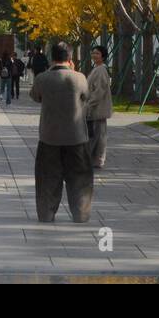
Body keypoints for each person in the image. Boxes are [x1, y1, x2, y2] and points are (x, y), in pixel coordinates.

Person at [31, 41, 93, 223]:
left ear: (52, 58)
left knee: (47, 178)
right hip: (76, 136)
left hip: (49, 136)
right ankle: (81, 214)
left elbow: (36, 96)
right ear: (70, 58)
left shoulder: (42, 78)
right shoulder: (79, 78)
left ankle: (46, 214)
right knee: (80, 178)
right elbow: (86, 96)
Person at [85, 44, 113, 169]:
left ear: (103, 56)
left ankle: (97, 159)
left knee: (98, 135)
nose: (94, 55)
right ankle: (95, 159)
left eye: (97, 53)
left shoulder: (101, 70)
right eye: (93, 53)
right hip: (96, 107)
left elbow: (99, 90)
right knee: (97, 134)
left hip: (97, 107)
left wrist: (89, 104)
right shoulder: (97, 68)